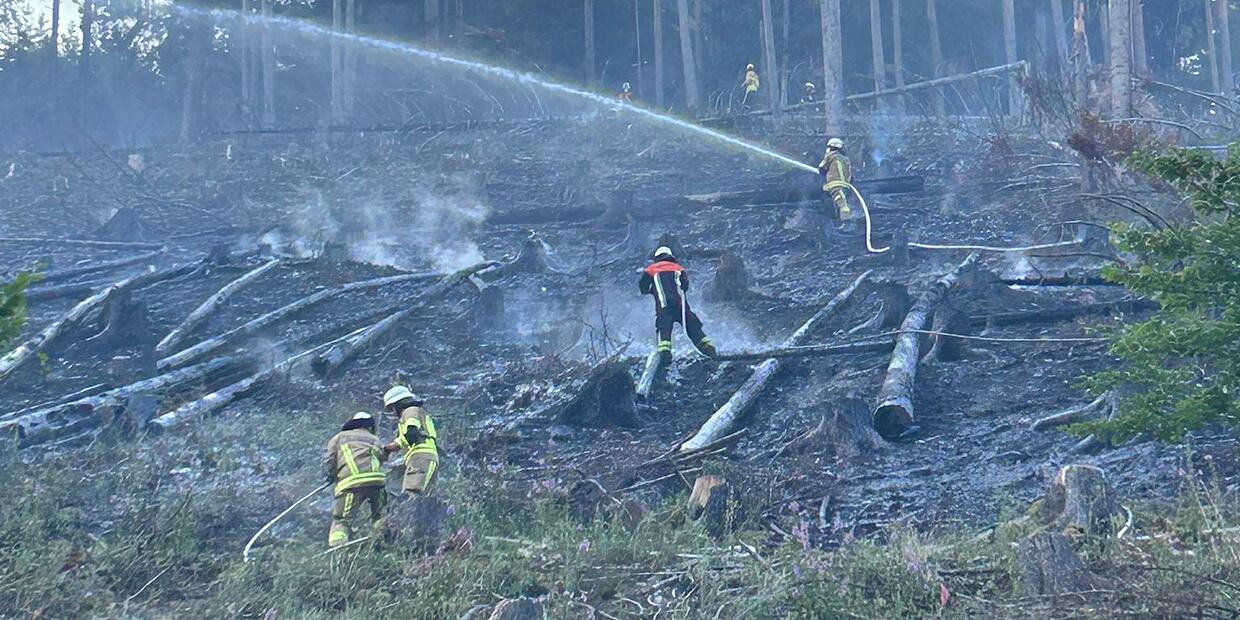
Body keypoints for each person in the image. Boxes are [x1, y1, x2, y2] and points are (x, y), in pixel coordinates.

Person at [639, 246, 716, 361]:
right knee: (692, 324)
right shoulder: (678, 268)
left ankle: (665, 353)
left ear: (657, 258)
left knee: (664, 327)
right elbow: (685, 285)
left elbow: (643, 286)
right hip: (680, 305)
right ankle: (708, 348)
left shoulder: (651, 269)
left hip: (664, 306)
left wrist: (651, 291)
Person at [325, 412, 389, 547]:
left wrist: (330, 477)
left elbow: (330, 460)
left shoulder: (338, 438)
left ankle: (337, 548)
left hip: (351, 484)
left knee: (341, 520)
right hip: (376, 481)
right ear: (369, 426)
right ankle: (379, 542)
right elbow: (382, 457)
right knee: (379, 515)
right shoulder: (374, 439)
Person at [382, 386, 439, 496]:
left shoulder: (410, 411)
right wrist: (389, 447)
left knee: (411, 494)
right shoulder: (419, 412)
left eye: (393, 407)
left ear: (399, 403)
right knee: (424, 498)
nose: (394, 411)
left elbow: (411, 433)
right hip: (428, 457)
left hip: (420, 457)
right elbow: (405, 438)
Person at [817, 137, 854, 226]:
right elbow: (851, 176)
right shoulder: (846, 159)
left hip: (835, 185)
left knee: (842, 204)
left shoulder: (831, 155)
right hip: (845, 185)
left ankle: (846, 223)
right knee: (840, 203)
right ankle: (840, 222)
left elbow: (821, 167)